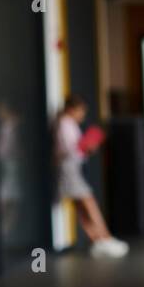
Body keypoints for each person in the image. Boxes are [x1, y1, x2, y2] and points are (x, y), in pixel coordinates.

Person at [54, 95, 128, 259]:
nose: (82, 115)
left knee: (81, 207)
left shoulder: (68, 123)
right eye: (80, 111)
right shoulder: (65, 124)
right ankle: (105, 239)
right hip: (69, 169)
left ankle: (98, 240)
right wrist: (86, 146)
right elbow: (69, 149)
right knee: (89, 203)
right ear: (72, 109)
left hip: (72, 167)